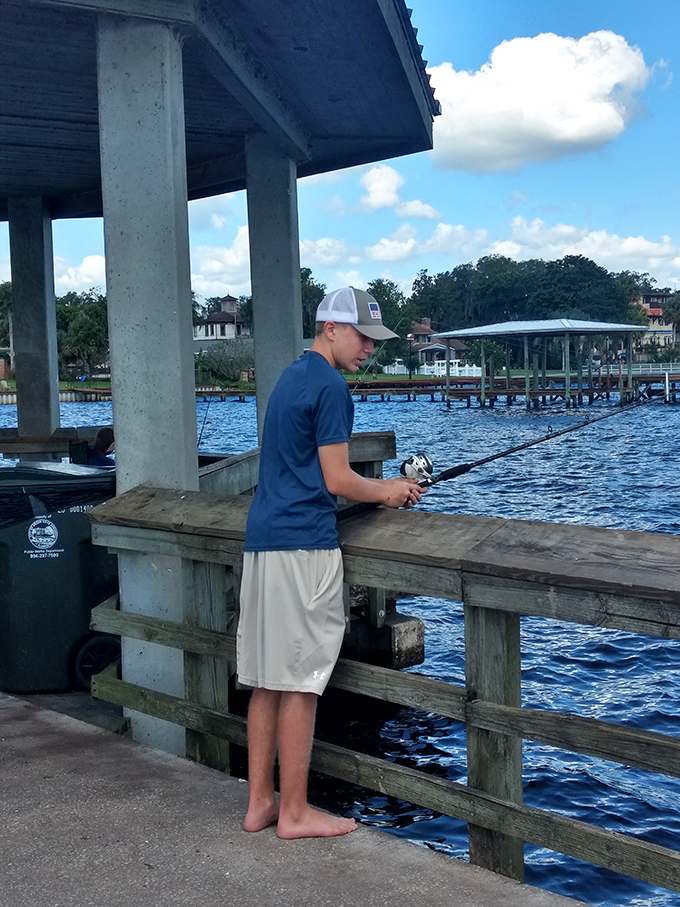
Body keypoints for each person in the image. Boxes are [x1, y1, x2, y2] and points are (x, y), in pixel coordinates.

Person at [236, 286, 424, 840]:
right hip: (303, 546)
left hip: (264, 542)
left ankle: (261, 803)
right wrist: (389, 491)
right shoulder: (330, 386)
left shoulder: (291, 378)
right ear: (331, 329)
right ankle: (294, 812)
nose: (371, 348)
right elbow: (337, 480)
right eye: (364, 336)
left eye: (375, 339)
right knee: (300, 682)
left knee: (268, 678)